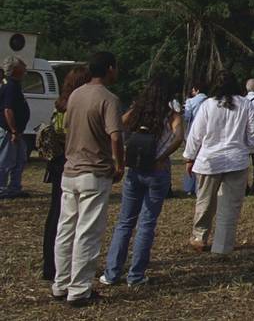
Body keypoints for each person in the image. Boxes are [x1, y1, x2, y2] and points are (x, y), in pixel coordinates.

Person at [52, 51, 124, 308]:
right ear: (109, 69)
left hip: (70, 170)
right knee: (87, 233)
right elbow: (115, 135)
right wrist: (120, 164)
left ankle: (60, 284)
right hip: (94, 171)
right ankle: (79, 289)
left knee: (66, 230)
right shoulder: (109, 99)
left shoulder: (75, 95)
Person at [100, 75, 183, 286]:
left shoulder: (137, 112)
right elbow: (178, 137)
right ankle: (136, 275)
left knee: (124, 222)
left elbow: (118, 126)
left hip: (135, 169)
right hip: (157, 172)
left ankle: (112, 272)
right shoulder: (171, 115)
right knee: (146, 223)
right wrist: (162, 157)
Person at [184, 71, 254, 254]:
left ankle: (199, 238)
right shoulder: (246, 105)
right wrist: (246, 149)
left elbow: (196, 134)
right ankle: (222, 247)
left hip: (209, 160)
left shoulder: (208, 105)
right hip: (236, 160)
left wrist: (190, 156)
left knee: (204, 202)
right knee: (230, 206)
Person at [41, 67, 91, 282]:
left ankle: (49, 264)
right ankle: (61, 265)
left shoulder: (59, 106)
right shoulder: (76, 106)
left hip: (57, 162)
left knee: (55, 215)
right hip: (71, 162)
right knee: (67, 219)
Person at [0, 56, 30, 198]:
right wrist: (13, 130)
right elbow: (8, 110)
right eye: (23, 65)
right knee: (6, 161)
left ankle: (14, 188)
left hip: (17, 131)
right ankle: (2, 189)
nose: (25, 68)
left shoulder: (14, 85)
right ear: (16, 69)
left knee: (19, 160)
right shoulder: (10, 86)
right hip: (9, 131)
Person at [181, 81, 208, 197]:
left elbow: (187, 117)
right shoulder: (209, 101)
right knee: (202, 159)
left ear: (196, 90)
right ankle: (199, 187)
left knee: (190, 159)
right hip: (206, 133)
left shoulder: (190, 101)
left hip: (193, 132)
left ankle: (189, 187)